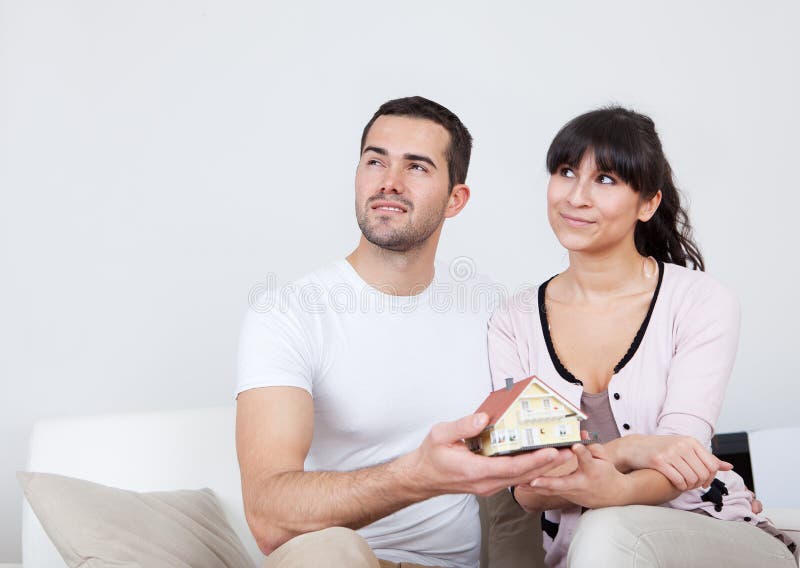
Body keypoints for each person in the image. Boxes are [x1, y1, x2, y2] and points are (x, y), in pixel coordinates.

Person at [235, 96, 573, 568]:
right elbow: (268, 516)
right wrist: (417, 475)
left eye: (416, 167)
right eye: (375, 161)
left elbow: (549, 437)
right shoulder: (289, 314)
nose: (388, 183)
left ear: (456, 199)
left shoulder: (493, 312)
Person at [487, 106, 797, 567]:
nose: (576, 196)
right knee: (601, 531)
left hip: (713, 534)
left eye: (606, 179)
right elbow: (527, 487)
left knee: (608, 525)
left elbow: (683, 453)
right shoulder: (512, 322)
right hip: (580, 554)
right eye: (566, 172)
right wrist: (631, 449)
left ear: (648, 203)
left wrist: (618, 487)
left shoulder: (700, 301)